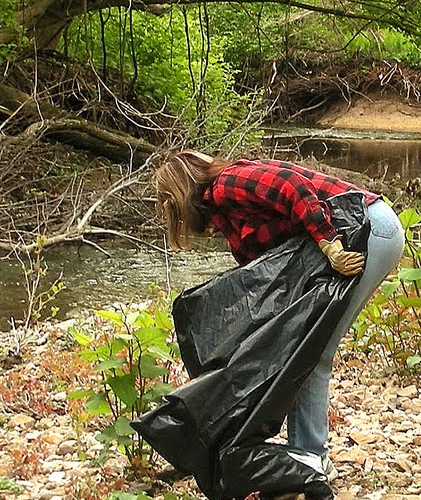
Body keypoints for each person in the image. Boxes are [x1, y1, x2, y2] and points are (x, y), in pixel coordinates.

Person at [152, 151, 404, 471]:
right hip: (365, 230)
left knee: (312, 345)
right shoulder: (227, 218)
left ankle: (310, 455)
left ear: (179, 194)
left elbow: (292, 185)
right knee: (296, 340)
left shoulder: (226, 184)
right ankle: (307, 452)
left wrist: (328, 244)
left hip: (369, 229)